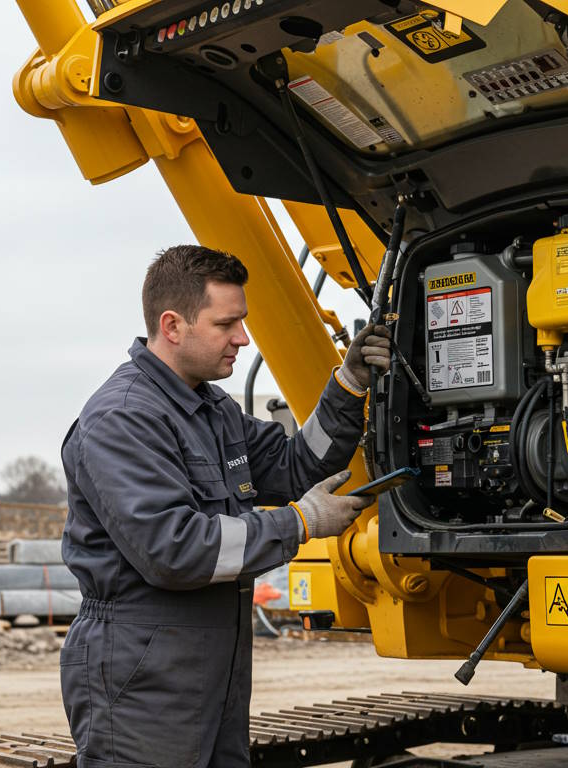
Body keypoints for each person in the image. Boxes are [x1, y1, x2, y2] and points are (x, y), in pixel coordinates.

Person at [59, 244, 392, 768]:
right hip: (144, 678)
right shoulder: (123, 418)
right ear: (172, 326)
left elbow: (295, 466)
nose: (243, 338)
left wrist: (347, 387)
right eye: (226, 324)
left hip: (211, 672)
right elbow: (175, 550)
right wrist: (300, 523)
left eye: (242, 321)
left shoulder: (211, 408)